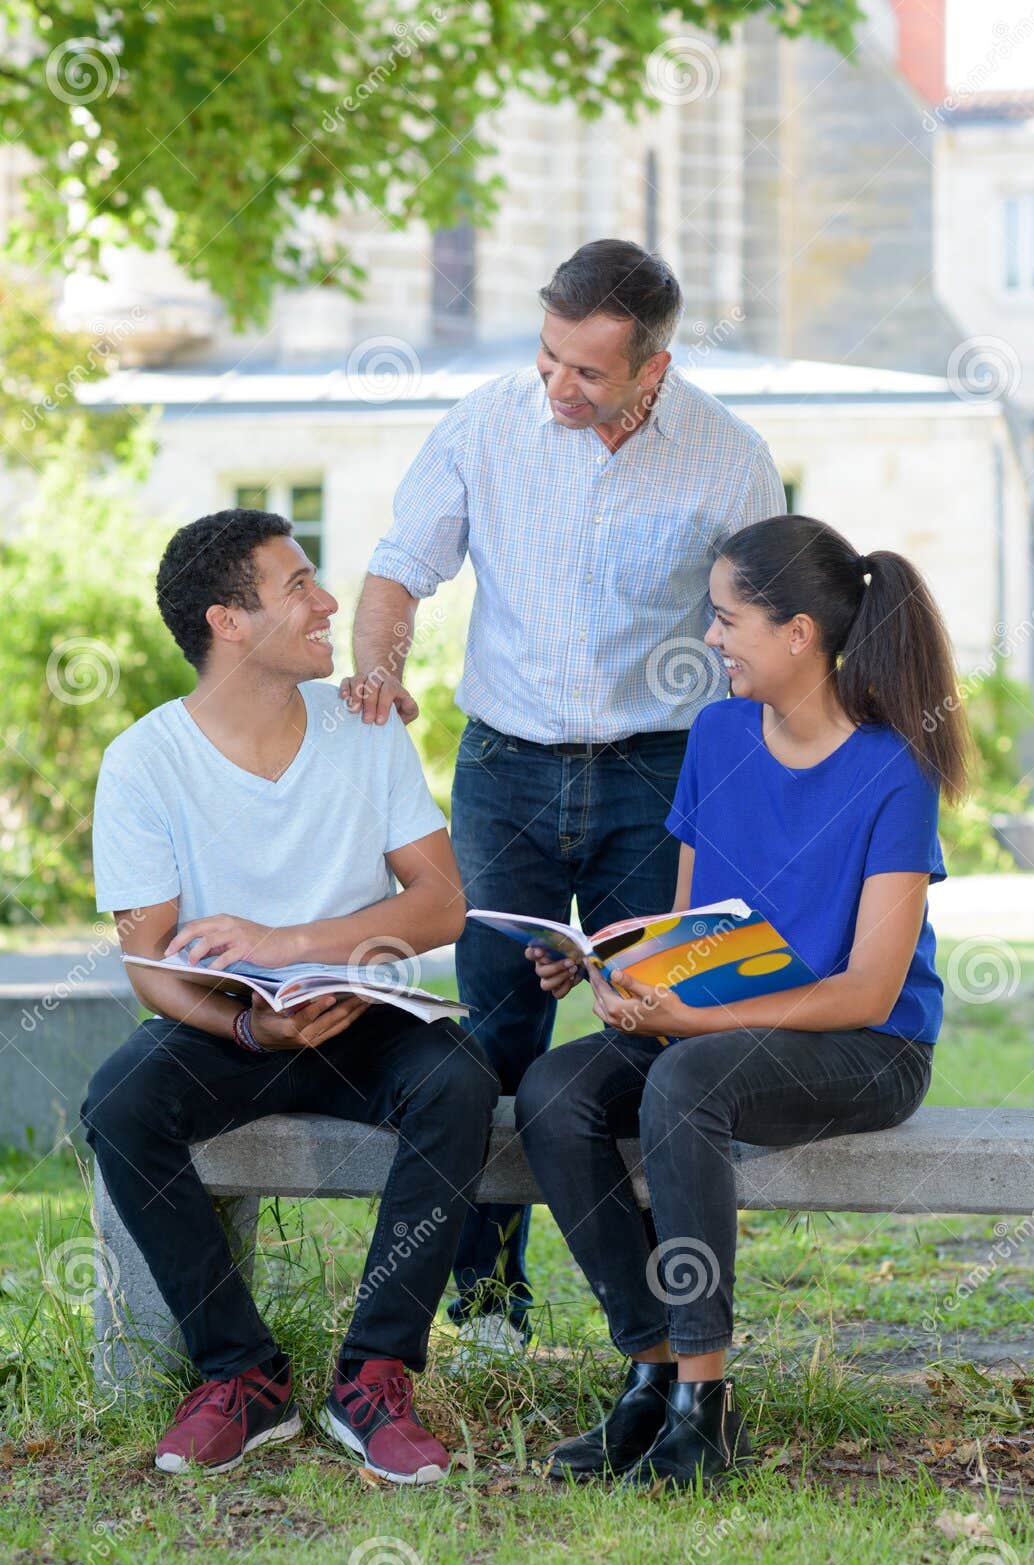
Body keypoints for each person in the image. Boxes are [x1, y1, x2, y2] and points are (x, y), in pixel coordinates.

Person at [345, 238, 785, 1355]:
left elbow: (764, 639)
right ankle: (489, 1299)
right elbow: (400, 567)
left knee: (652, 1029)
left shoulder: (729, 459)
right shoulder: (489, 422)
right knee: (494, 1034)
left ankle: (658, 1308)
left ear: (654, 368)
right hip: (509, 768)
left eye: (588, 372)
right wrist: (382, 664)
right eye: (549, 357)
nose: (559, 387)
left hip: (659, 772)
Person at [515, 513, 972, 1490]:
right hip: (718, 1021)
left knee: (684, 1080)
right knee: (555, 1089)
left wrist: (693, 1024)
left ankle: (703, 1412)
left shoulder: (893, 770)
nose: (712, 638)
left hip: (865, 1044)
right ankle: (649, 1372)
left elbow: (868, 986)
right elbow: (694, 927)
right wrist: (614, 971)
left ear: (798, 632)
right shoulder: (719, 733)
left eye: (727, 619)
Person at [82, 508, 498, 1483]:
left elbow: (440, 905)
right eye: (298, 585)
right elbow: (150, 961)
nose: (327, 603)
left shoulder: (363, 727)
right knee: (120, 1102)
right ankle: (241, 1373)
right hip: (230, 1025)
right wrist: (246, 1020)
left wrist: (297, 943)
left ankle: (374, 1374)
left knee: (459, 1083)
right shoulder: (145, 761)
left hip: (367, 1021)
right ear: (229, 622)